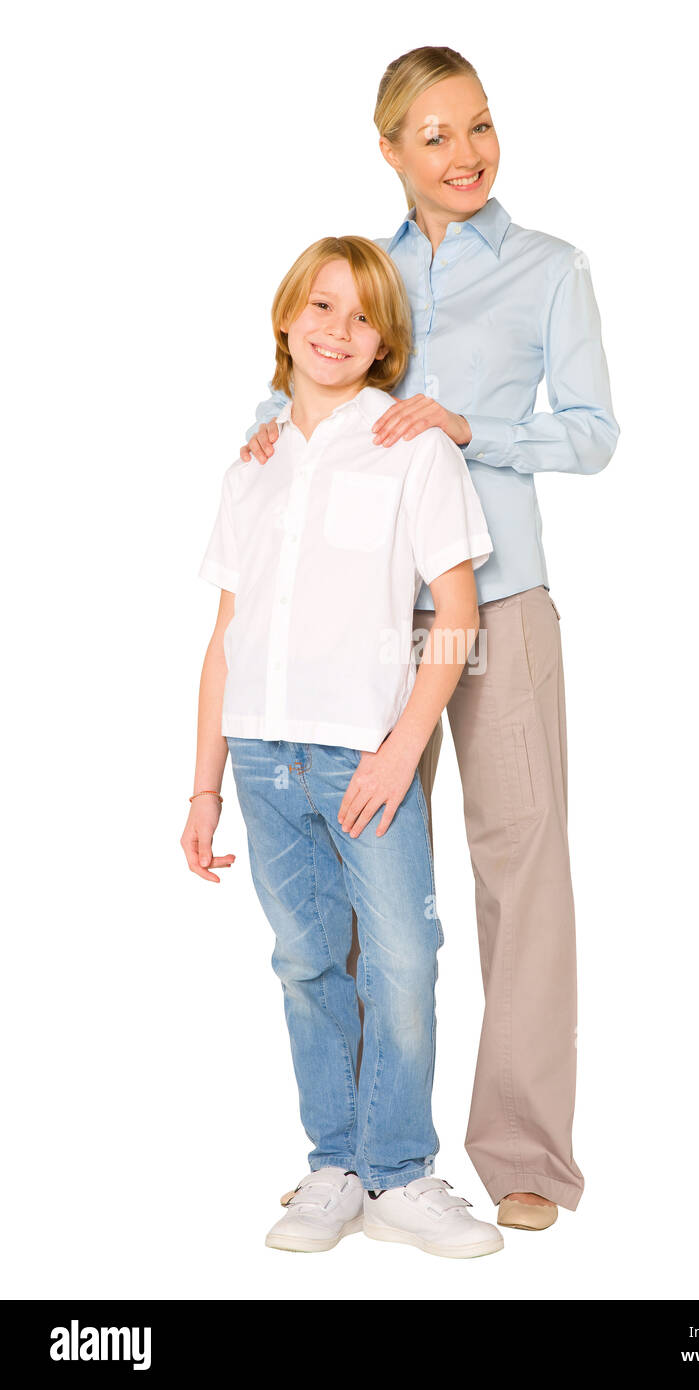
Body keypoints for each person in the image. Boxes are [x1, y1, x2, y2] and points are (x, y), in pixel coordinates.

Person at [242, 47, 620, 1229]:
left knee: (521, 871)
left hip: (496, 604)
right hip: (363, 618)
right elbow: (317, 381)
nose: (464, 155)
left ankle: (521, 1154)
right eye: (435, 135)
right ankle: (355, 1152)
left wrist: (473, 428)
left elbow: (595, 433)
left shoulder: (551, 268)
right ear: (390, 148)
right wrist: (263, 427)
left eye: (480, 127)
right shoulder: (369, 275)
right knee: (357, 891)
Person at [181, 234, 503, 1258]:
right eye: (320, 307)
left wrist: (403, 745)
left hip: (362, 754)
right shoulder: (254, 467)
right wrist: (203, 788)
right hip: (261, 762)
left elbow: (457, 613)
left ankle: (400, 1171)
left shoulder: (415, 449)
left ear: (383, 344)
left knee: (403, 961)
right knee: (306, 961)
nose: (336, 329)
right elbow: (224, 636)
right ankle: (333, 1166)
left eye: (361, 316)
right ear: (285, 317)